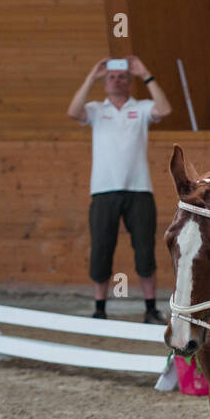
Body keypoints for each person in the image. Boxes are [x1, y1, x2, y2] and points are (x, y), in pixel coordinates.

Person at [67, 56, 171, 322]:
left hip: (139, 190)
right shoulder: (95, 110)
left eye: (123, 77)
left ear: (130, 82)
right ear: (105, 82)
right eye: (112, 77)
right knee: (102, 248)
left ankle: (150, 308)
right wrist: (92, 76)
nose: (117, 80)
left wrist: (146, 73)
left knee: (145, 250)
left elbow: (165, 109)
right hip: (103, 191)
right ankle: (99, 309)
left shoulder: (142, 108)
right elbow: (72, 112)